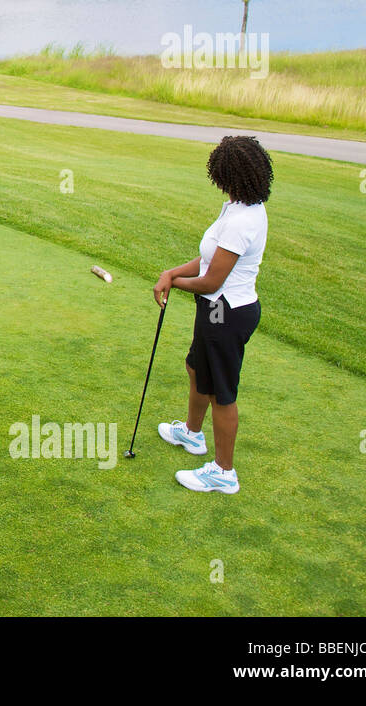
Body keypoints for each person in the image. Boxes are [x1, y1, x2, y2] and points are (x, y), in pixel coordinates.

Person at [154, 135, 272, 493]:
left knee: (223, 393)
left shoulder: (242, 221)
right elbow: (207, 259)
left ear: (230, 175)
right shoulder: (237, 207)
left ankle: (224, 472)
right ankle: (191, 434)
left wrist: (175, 283)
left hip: (227, 312)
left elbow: (210, 281)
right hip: (217, 310)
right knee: (196, 367)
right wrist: (173, 272)